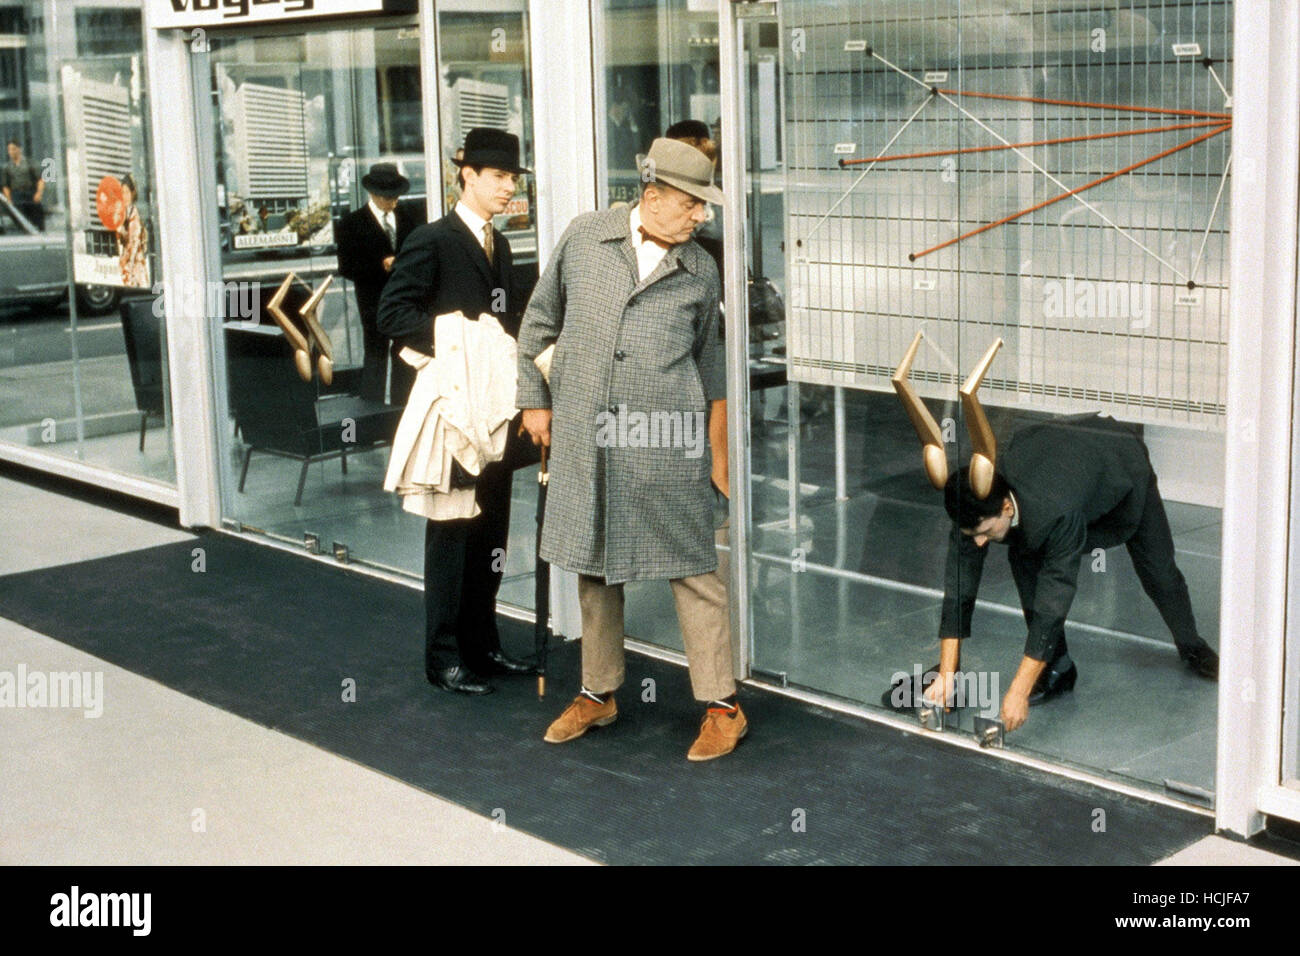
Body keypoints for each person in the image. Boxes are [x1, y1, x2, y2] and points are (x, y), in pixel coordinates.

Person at [517, 137, 743, 762]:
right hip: (588, 438)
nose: (702, 216)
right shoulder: (586, 238)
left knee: (695, 568)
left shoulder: (700, 268)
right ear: (652, 196)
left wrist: (716, 454)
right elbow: (537, 322)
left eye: (704, 206)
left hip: (665, 442)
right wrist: (535, 400)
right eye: (693, 204)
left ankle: (724, 707)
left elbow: (710, 367)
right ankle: (599, 692)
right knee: (593, 567)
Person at [894, 414, 1219, 732]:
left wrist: (1017, 693)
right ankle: (1057, 668)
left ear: (1006, 507)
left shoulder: (1056, 511)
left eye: (986, 531)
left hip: (1119, 466)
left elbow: (1054, 599)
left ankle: (1192, 644)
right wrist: (948, 672)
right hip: (1059, 460)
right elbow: (959, 584)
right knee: (1024, 560)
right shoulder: (975, 501)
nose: (979, 542)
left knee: (1159, 573)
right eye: (971, 534)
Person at [377, 128, 536, 696]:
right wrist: (460, 341)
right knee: (450, 534)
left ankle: (483, 645)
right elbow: (392, 314)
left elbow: (507, 324)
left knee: (492, 529)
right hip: (451, 411)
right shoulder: (432, 240)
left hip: (493, 414)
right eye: (498, 177)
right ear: (464, 176)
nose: (508, 188)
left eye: (513, 179)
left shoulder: (501, 244)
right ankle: (442, 658)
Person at [335, 162, 422, 403]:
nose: (392, 202)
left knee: (404, 353)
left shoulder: (407, 217)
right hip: (372, 298)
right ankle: (371, 407)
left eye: (395, 197)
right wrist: (379, 264)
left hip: (404, 299)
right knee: (375, 352)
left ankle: (401, 407)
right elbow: (346, 266)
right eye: (387, 197)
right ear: (373, 194)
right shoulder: (352, 224)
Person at [3, 140, 45, 231]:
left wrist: (39, 193)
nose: (11, 152)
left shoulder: (30, 163)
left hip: (30, 194)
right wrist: (9, 199)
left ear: (19, 149)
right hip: (17, 195)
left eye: (14, 149)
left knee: (36, 219)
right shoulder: (7, 167)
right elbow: (6, 185)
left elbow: (40, 179)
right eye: (9, 150)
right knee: (21, 221)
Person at [116, 174, 148, 288]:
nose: (124, 196)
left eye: (127, 192)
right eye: (122, 192)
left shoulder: (133, 213)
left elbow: (134, 239)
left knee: (136, 285)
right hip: (126, 256)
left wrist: (126, 258)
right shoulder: (122, 212)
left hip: (134, 257)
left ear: (132, 193)